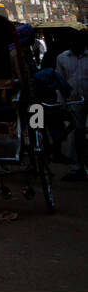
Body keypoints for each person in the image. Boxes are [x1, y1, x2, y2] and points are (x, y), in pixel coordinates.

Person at [56, 30, 88, 181]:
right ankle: (76, 167)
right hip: (74, 102)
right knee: (76, 135)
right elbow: (60, 82)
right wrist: (62, 103)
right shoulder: (62, 58)